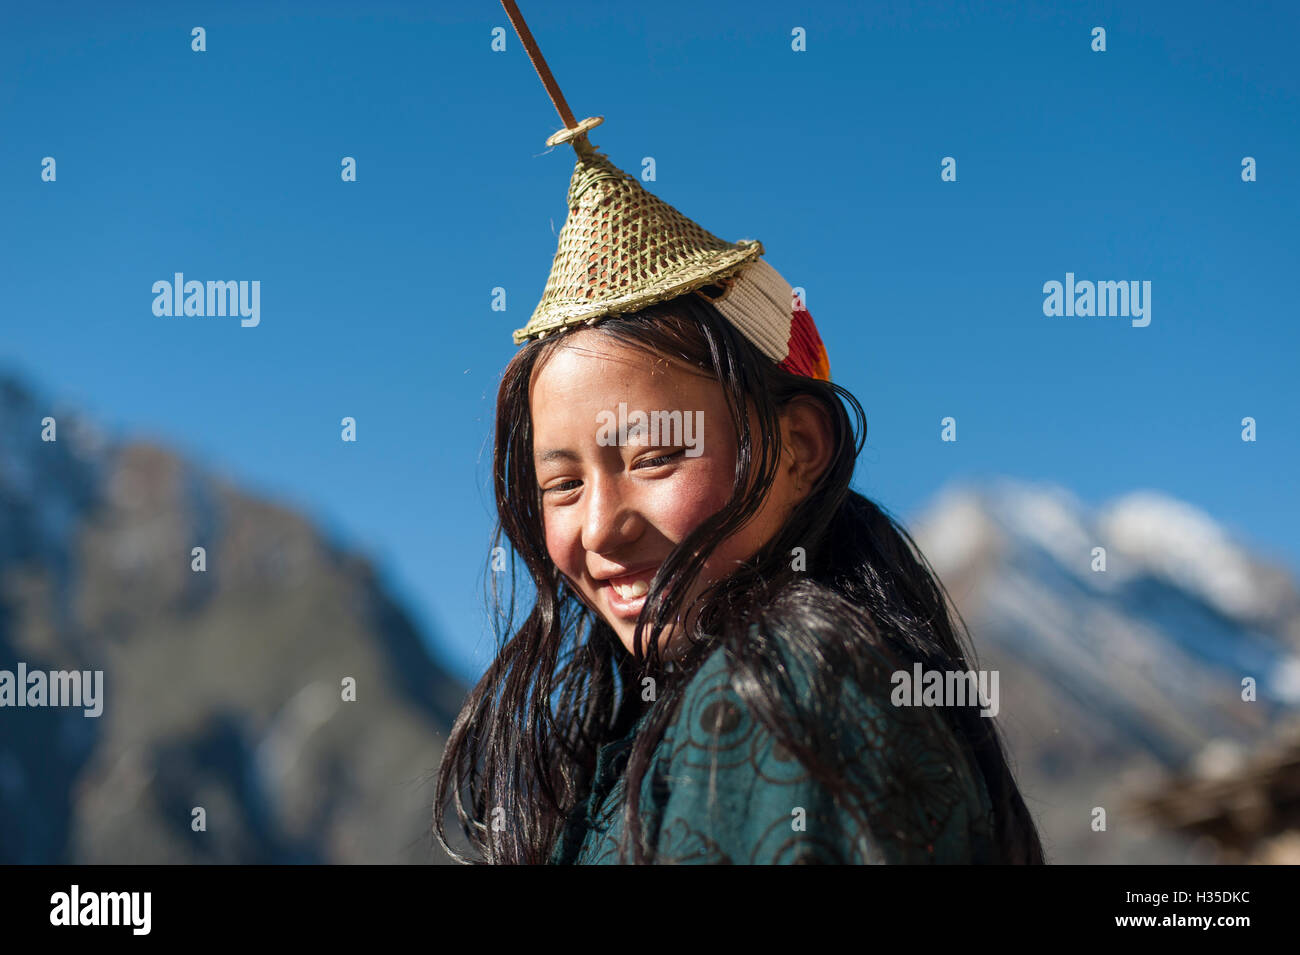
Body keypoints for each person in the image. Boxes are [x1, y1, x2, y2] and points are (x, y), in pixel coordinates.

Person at [434, 6, 1042, 862]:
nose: (601, 526)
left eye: (652, 455)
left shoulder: (782, 695)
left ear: (799, 448)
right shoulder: (674, 717)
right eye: (561, 484)